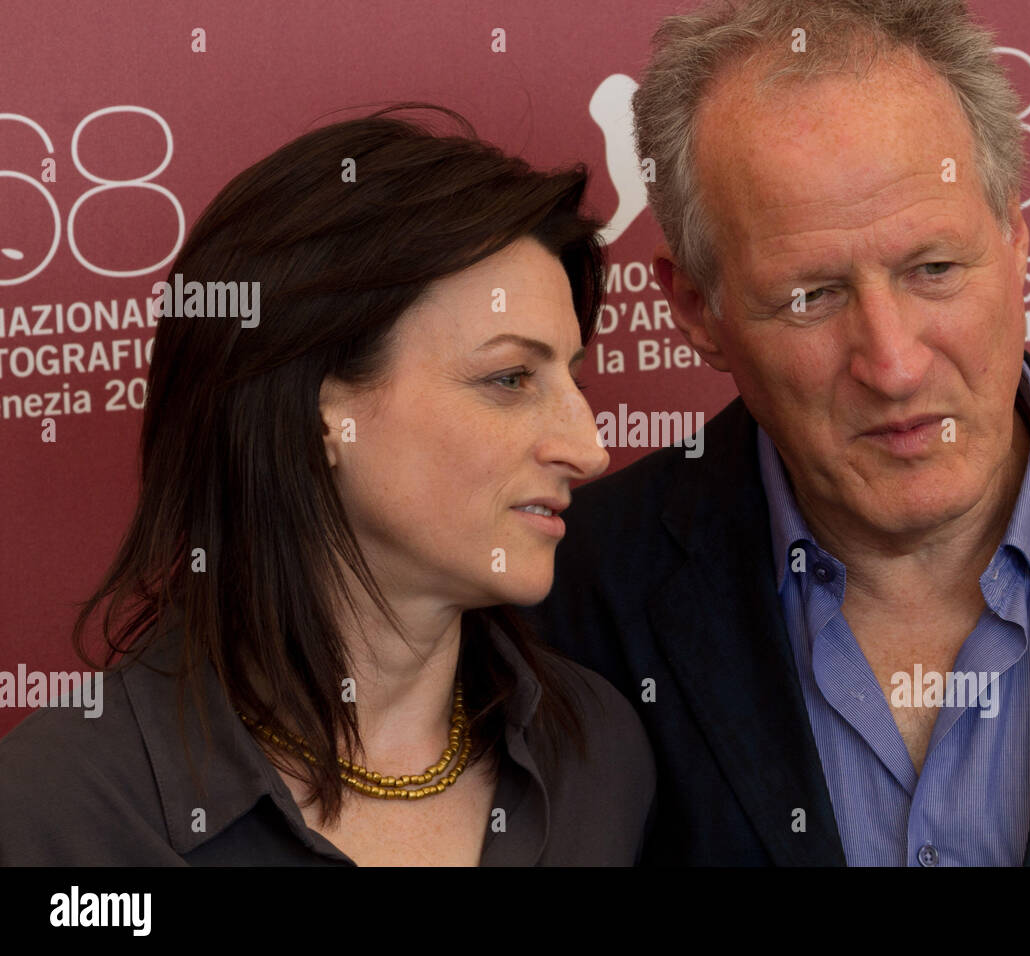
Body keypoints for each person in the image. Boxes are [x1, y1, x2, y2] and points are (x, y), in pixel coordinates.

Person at [527, 0, 1030, 865]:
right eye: (811, 296)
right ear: (696, 309)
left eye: (933, 269)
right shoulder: (565, 607)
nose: (892, 365)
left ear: (1015, 240)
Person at [0, 105, 655, 866]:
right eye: (509, 378)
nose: (590, 449)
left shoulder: (597, 756)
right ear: (314, 407)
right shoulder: (61, 817)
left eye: (573, 381)